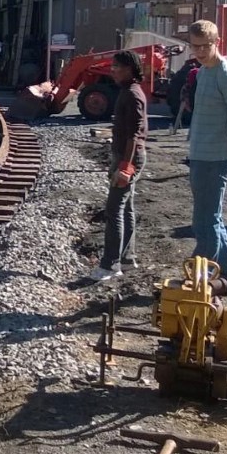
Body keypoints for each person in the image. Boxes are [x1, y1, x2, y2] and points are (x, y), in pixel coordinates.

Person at [186, 20, 227, 295]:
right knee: (210, 218)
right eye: (196, 47)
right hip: (200, 154)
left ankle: (198, 278)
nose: (200, 52)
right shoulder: (203, 72)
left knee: (204, 221)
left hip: (216, 158)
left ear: (218, 43)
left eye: (206, 46)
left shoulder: (226, 74)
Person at [88, 50, 148, 281]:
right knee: (127, 208)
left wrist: (125, 167)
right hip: (127, 156)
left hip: (128, 158)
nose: (112, 71)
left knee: (114, 210)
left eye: (116, 67)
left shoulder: (132, 95)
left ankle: (110, 265)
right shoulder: (128, 91)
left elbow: (134, 135)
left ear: (129, 69)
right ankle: (127, 258)